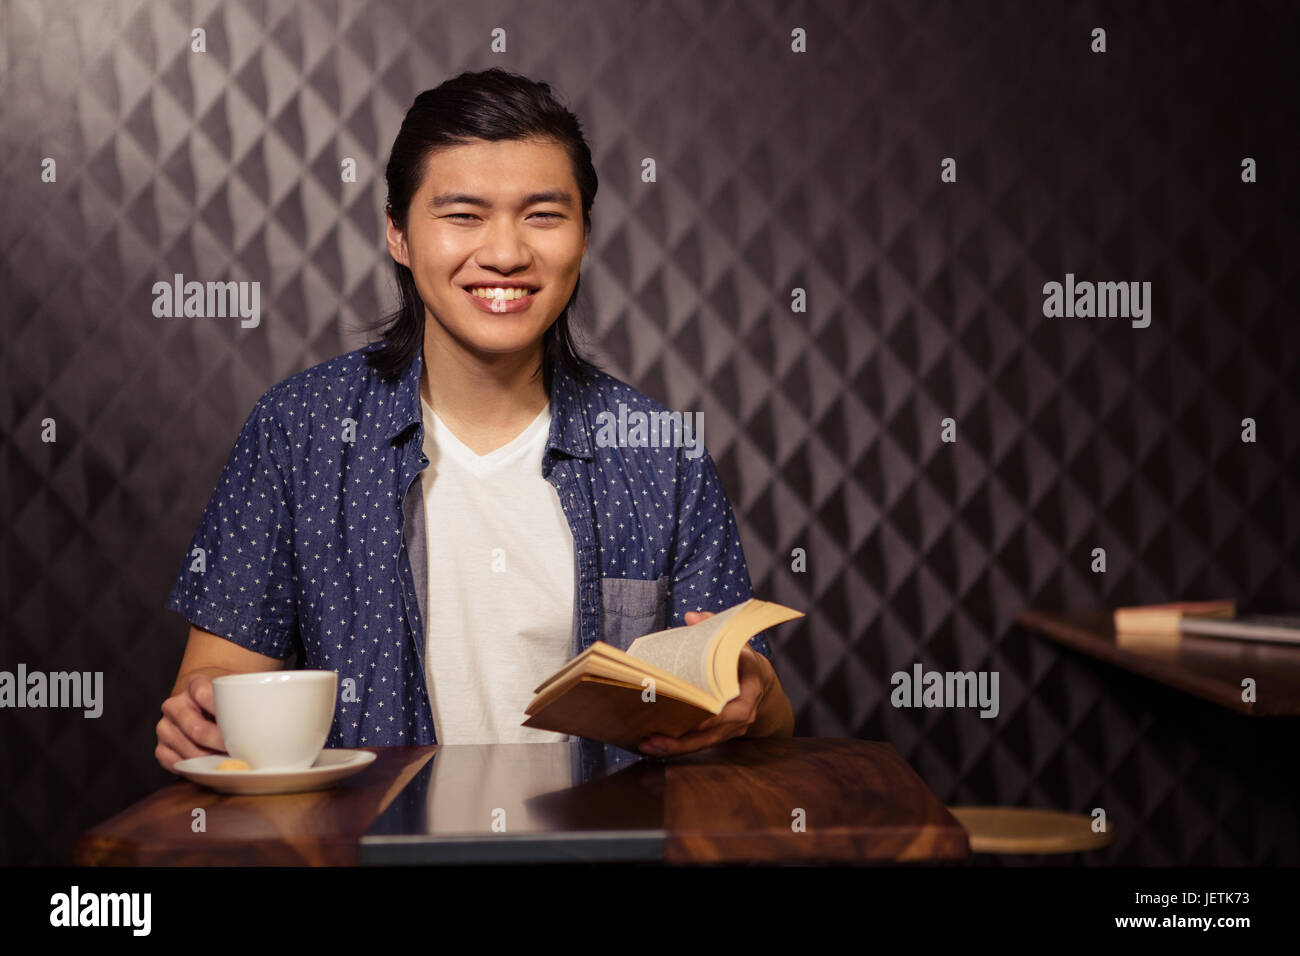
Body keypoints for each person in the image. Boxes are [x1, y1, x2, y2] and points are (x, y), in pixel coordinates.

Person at [155, 68, 793, 772]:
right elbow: (216, 678)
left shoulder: (660, 453)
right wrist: (201, 714)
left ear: (583, 234)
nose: (505, 253)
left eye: (543, 215)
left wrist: (755, 697)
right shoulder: (297, 430)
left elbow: (762, 714)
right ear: (397, 233)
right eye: (463, 215)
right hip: (374, 850)